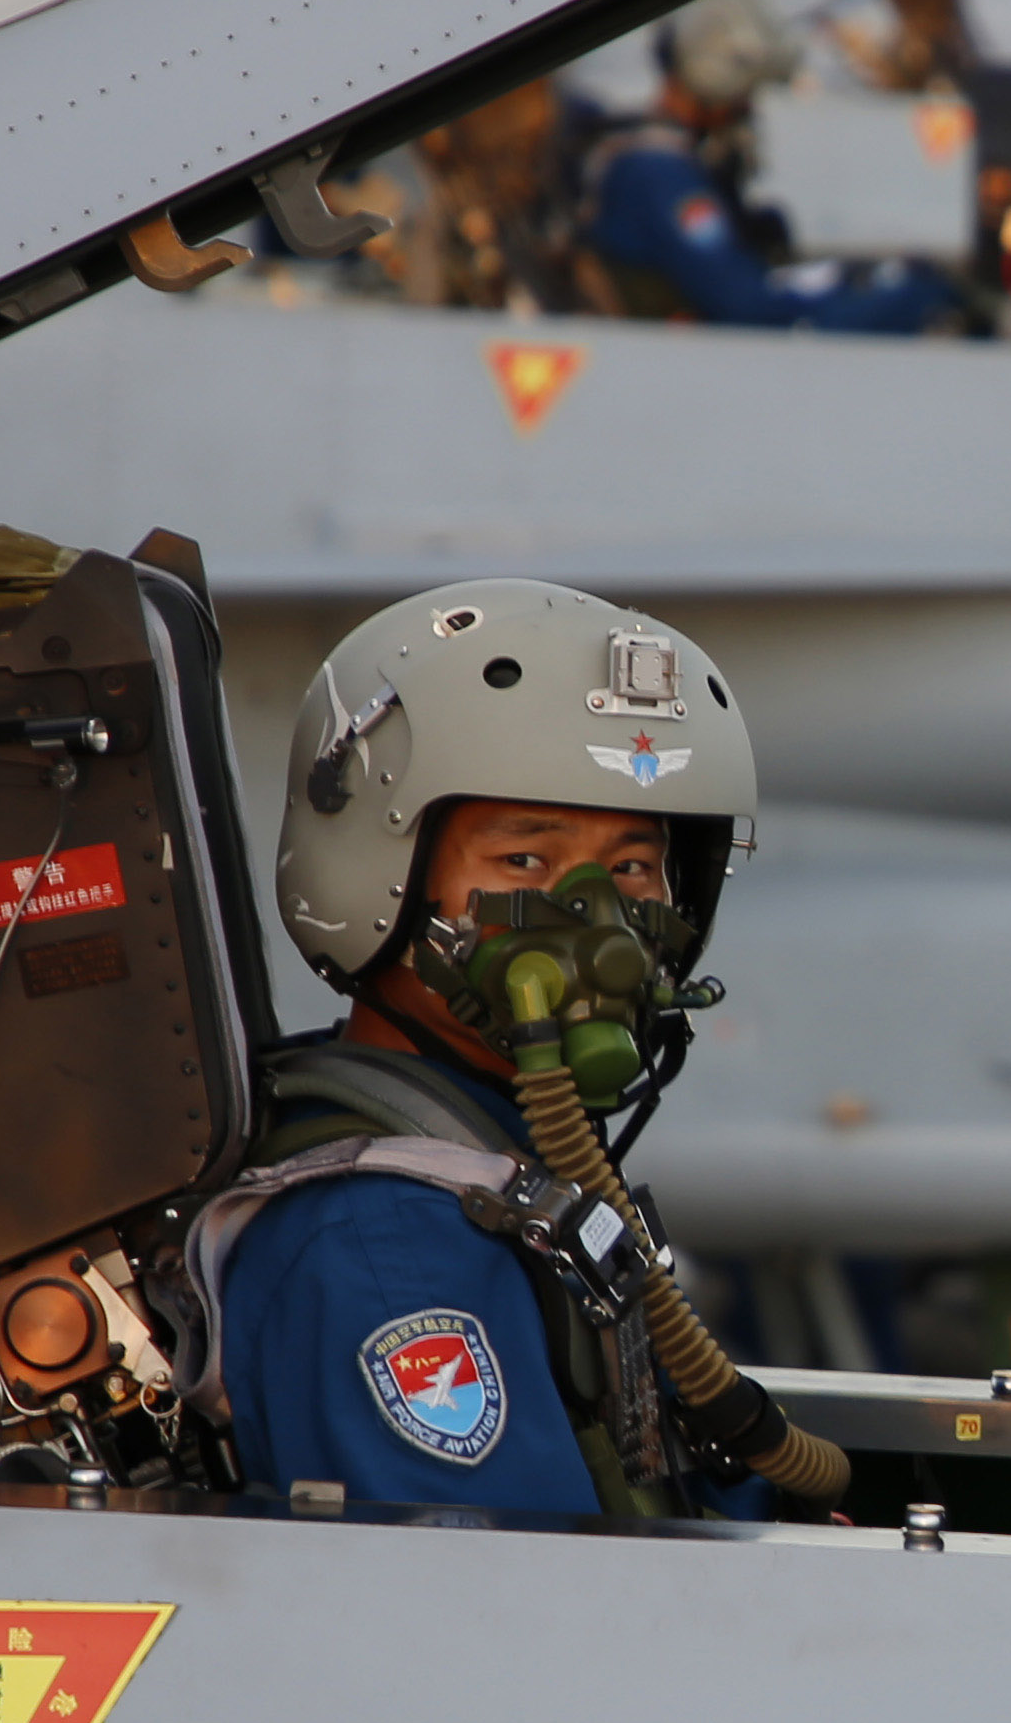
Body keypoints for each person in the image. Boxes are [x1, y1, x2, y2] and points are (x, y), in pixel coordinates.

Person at [194, 576, 812, 1516]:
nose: (601, 923)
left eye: (634, 867)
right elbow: (515, 1620)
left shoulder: (504, 1174)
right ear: (381, 876)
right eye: (524, 861)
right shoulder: (385, 1250)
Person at [581, 0, 952, 334]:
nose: (751, 116)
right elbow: (747, 306)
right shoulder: (657, 174)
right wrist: (908, 299)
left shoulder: (662, 162)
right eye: (746, 101)